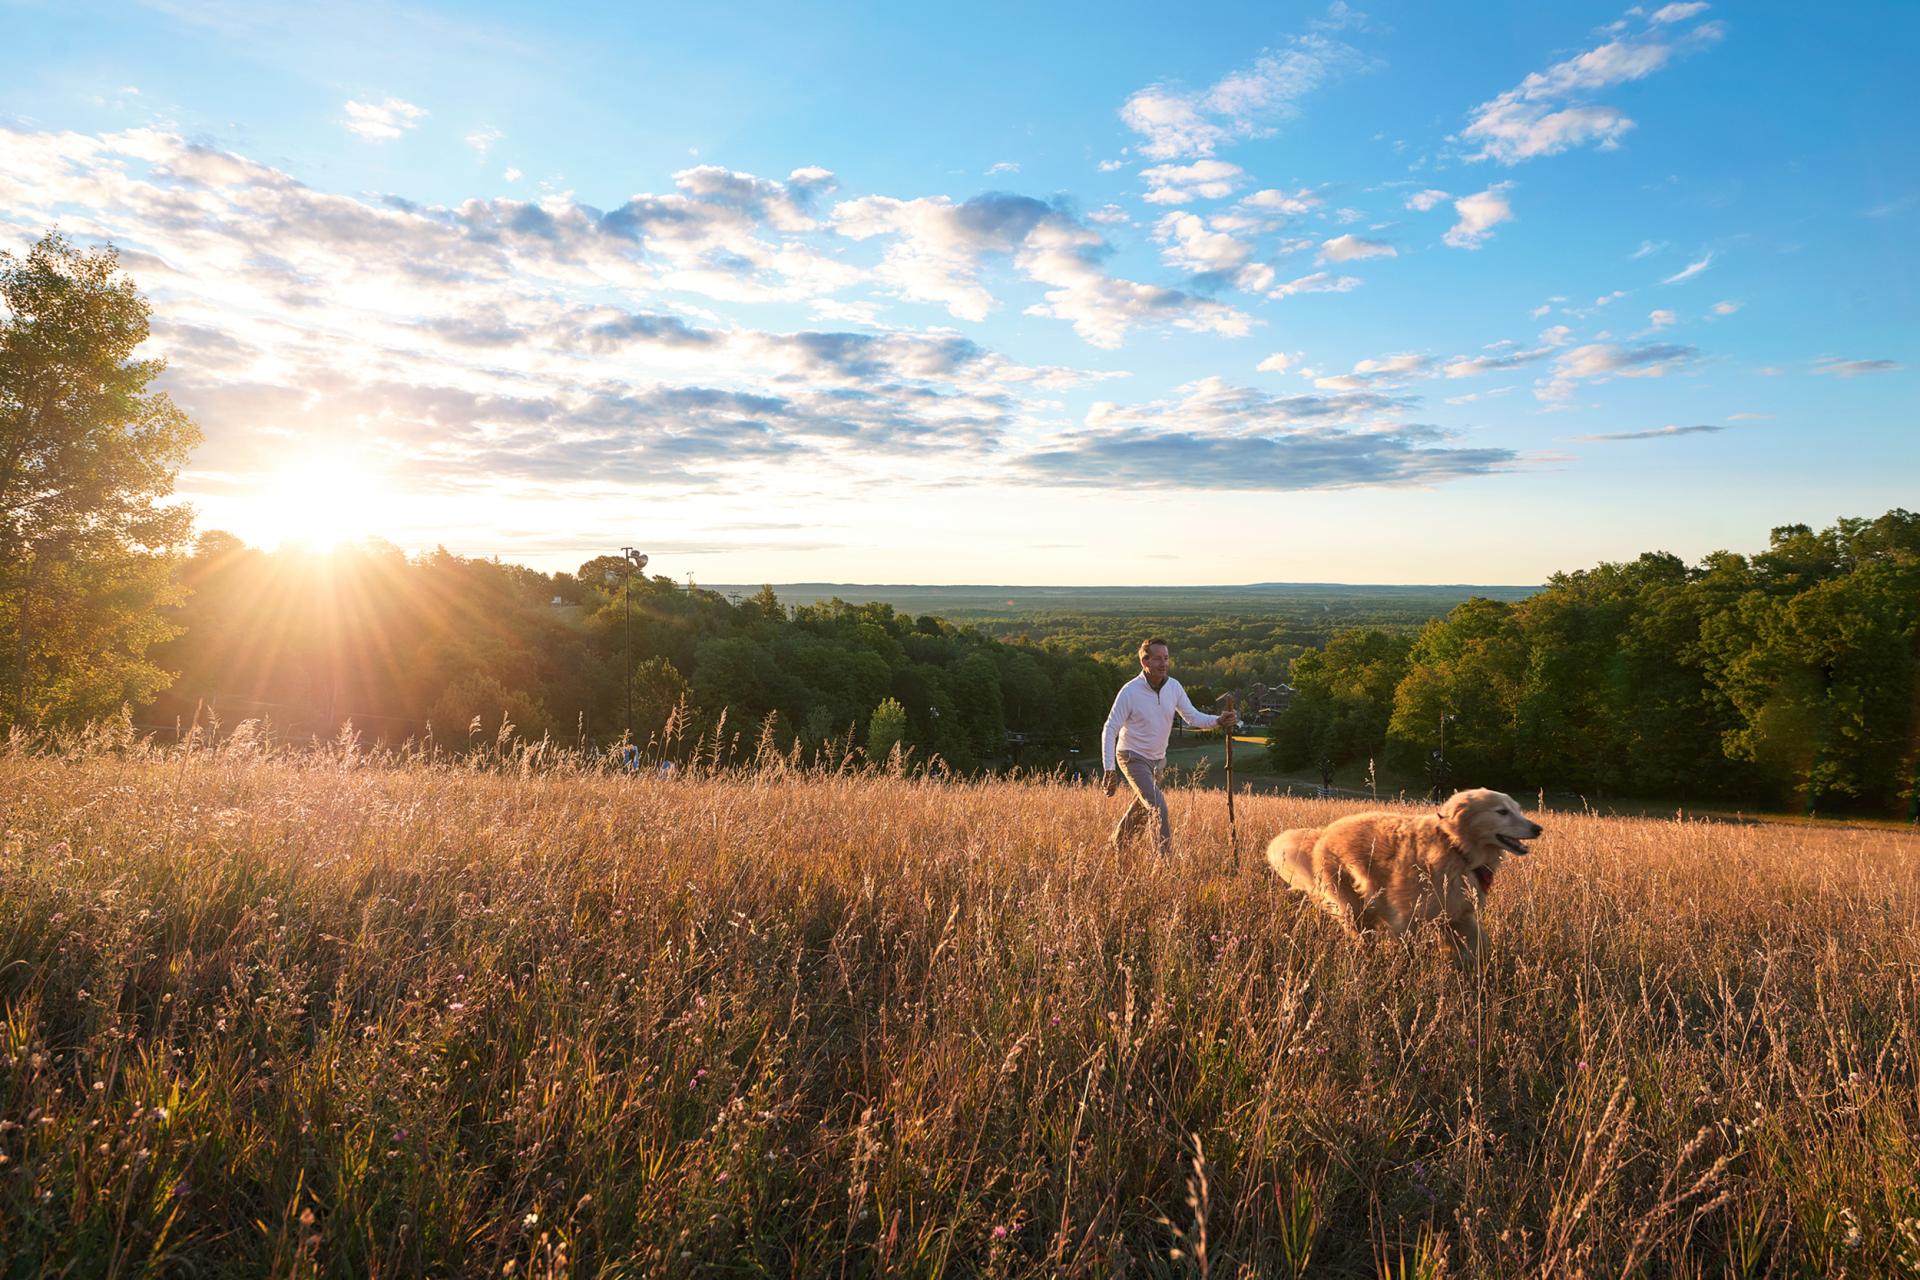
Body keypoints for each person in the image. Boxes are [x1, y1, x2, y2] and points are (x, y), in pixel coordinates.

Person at [1101, 637, 1236, 854]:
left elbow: (1192, 717)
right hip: (1132, 756)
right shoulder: (1130, 691)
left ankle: (1116, 846)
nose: (1163, 664)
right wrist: (1109, 769)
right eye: (1157, 659)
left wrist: (1219, 720)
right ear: (1144, 662)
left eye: (1166, 658)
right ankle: (1163, 867)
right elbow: (1110, 728)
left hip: (1158, 761)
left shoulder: (1174, 687)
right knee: (1158, 807)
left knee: (1142, 811)